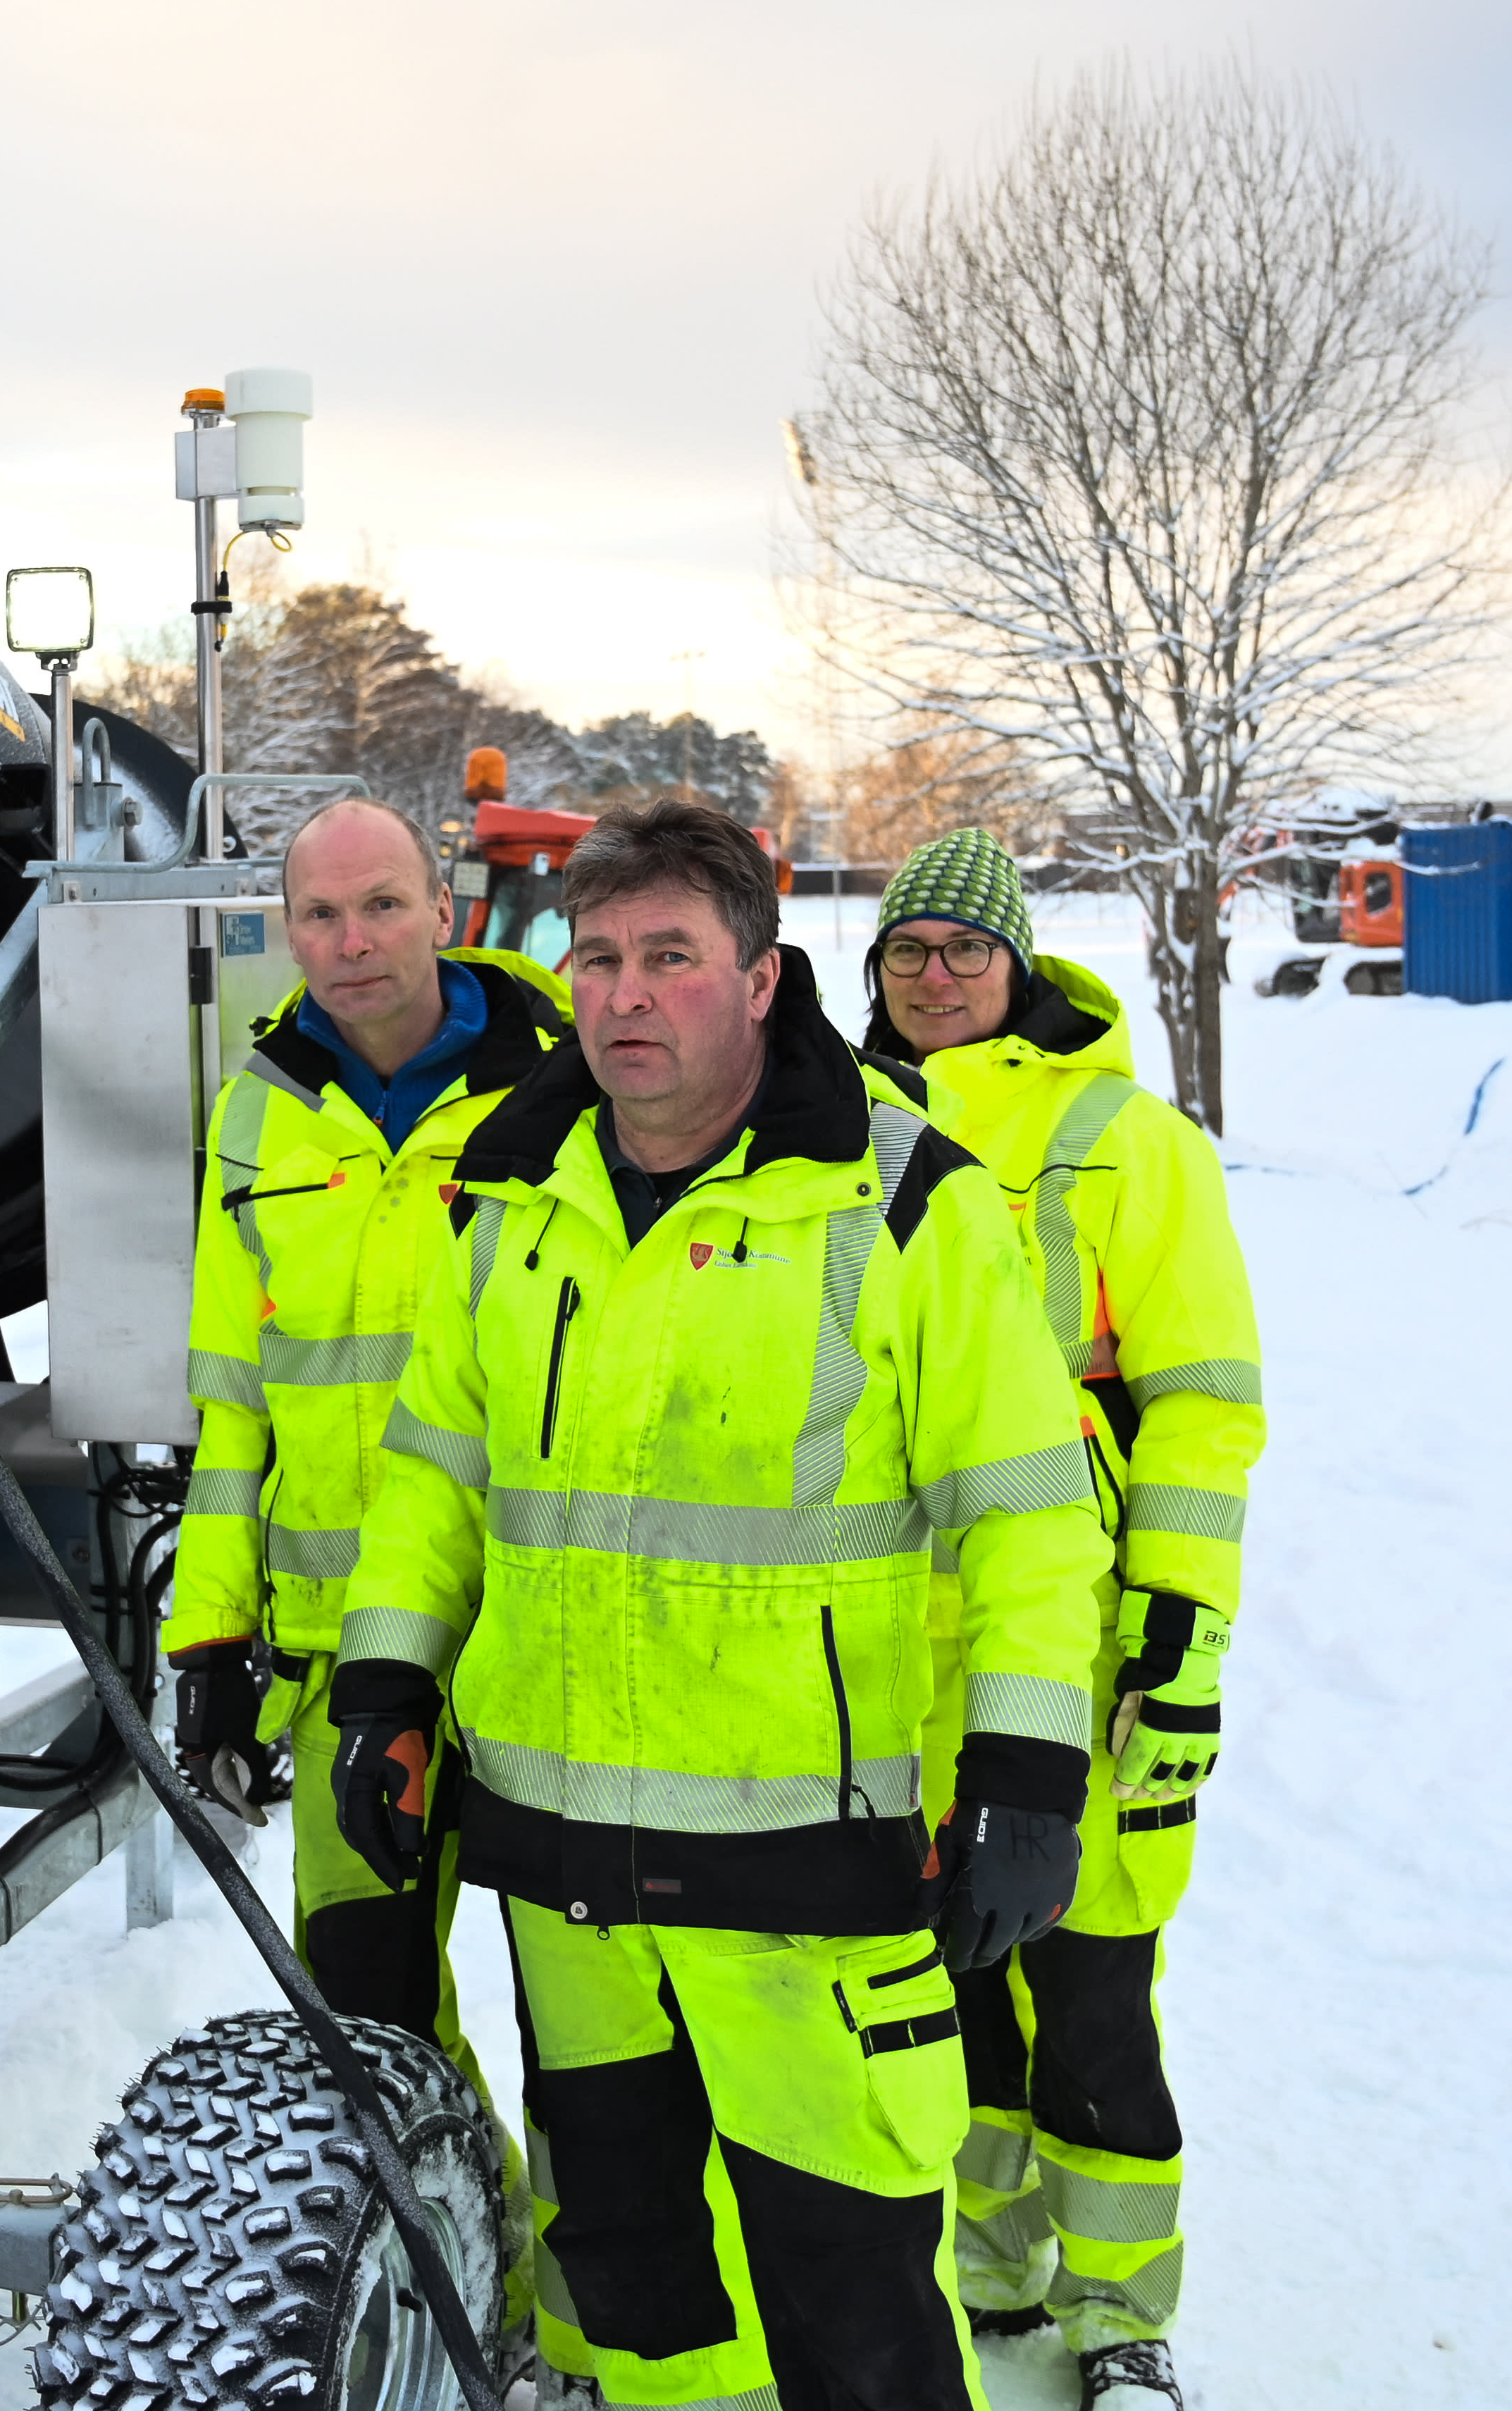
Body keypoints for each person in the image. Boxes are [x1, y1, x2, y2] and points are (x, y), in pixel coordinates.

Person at [331, 798, 1110, 2411]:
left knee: (858, 2309)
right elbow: (432, 1479)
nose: (623, 994)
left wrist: (1031, 1771)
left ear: (762, 978)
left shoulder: (904, 1206)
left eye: (670, 956)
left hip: (808, 1883)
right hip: (566, 1877)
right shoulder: (514, 1194)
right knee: (635, 2287)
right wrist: (388, 1689)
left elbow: (1032, 1518)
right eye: (597, 956)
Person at [860, 829, 1264, 2411]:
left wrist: (1181, 1625)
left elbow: (1206, 1410)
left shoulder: (1131, 1139)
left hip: (1074, 1634)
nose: (938, 973)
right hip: (889, 1636)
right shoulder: (838, 1127)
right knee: (938, 1975)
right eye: (909, 949)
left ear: (1017, 961)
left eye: (965, 946)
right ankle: (984, 2267)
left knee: (1093, 1985)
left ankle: (1120, 2309)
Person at [168, 796, 568, 2304]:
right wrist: (209, 1641)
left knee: (583, 2027)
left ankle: (596, 2344)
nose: (351, 943)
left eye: (382, 906)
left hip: (540, 1642)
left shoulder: (560, 1086)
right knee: (370, 2012)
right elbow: (232, 1410)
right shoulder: (259, 1108)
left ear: (443, 904)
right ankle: (478, 2261)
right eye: (321, 916)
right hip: (344, 1658)